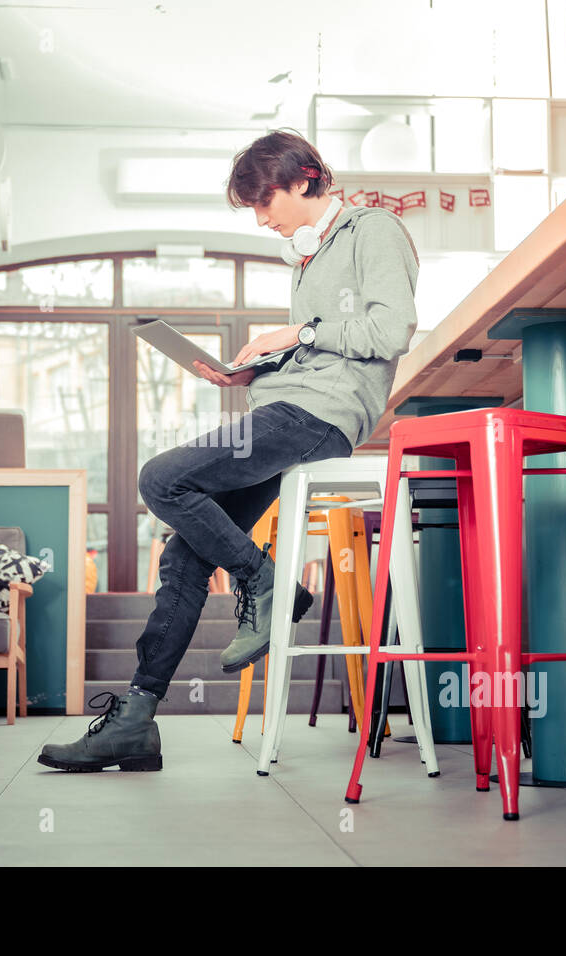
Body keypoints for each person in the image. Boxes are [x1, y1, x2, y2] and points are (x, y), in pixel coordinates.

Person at [39, 129, 421, 772]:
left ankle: (267, 583)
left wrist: (296, 330)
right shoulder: (307, 257)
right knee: (183, 555)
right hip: (284, 406)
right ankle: (135, 719)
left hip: (319, 416)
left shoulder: (372, 231)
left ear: (305, 179)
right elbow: (320, 348)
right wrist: (260, 367)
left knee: (161, 478)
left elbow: (391, 330)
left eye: (265, 200)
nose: (262, 216)